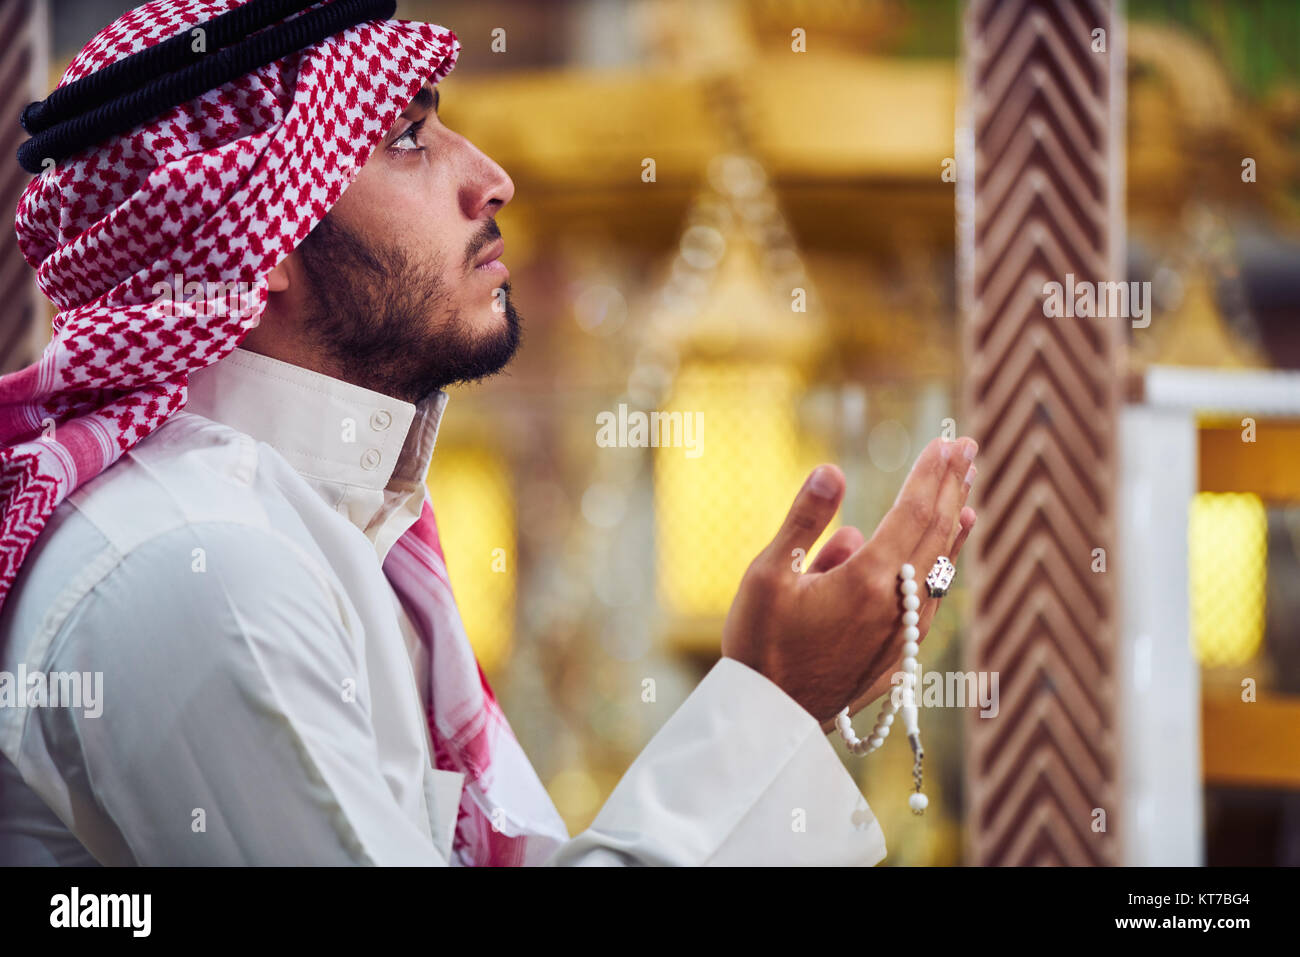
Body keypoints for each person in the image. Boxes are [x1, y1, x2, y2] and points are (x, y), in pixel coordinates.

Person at [0, 0, 977, 866]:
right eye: (409, 137)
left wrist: (773, 702)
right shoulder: (199, 570)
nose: (493, 179)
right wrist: (773, 706)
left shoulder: (311, 530)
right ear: (254, 237)